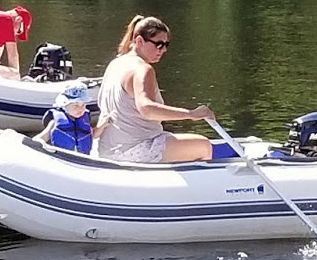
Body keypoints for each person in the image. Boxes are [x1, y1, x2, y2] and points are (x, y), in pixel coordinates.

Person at [93, 14, 217, 163]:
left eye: (166, 44)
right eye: (158, 44)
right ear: (139, 41)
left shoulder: (115, 64)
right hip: (132, 150)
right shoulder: (142, 69)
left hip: (107, 149)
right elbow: (147, 108)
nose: (163, 50)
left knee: (178, 140)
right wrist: (192, 114)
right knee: (203, 146)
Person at [43, 81, 94, 153]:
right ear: (64, 104)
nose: (80, 108)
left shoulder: (85, 122)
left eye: (83, 105)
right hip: (60, 159)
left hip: (81, 160)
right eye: (76, 105)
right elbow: (40, 138)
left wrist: (103, 126)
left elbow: (91, 135)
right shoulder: (54, 123)